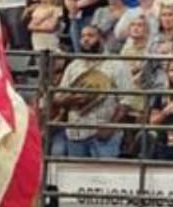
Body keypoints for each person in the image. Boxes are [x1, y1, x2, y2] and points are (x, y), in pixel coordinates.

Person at [49, 22, 132, 158]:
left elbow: (127, 101)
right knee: (76, 174)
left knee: (103, 177)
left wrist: (111, 126)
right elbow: (58, 97)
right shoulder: (74, 66)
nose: (86, 39)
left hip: (104, 131)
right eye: (83, 36)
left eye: (90, 36)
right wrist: (68, 99)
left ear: (102, 39)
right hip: (76, 130)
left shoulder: (117, 65)